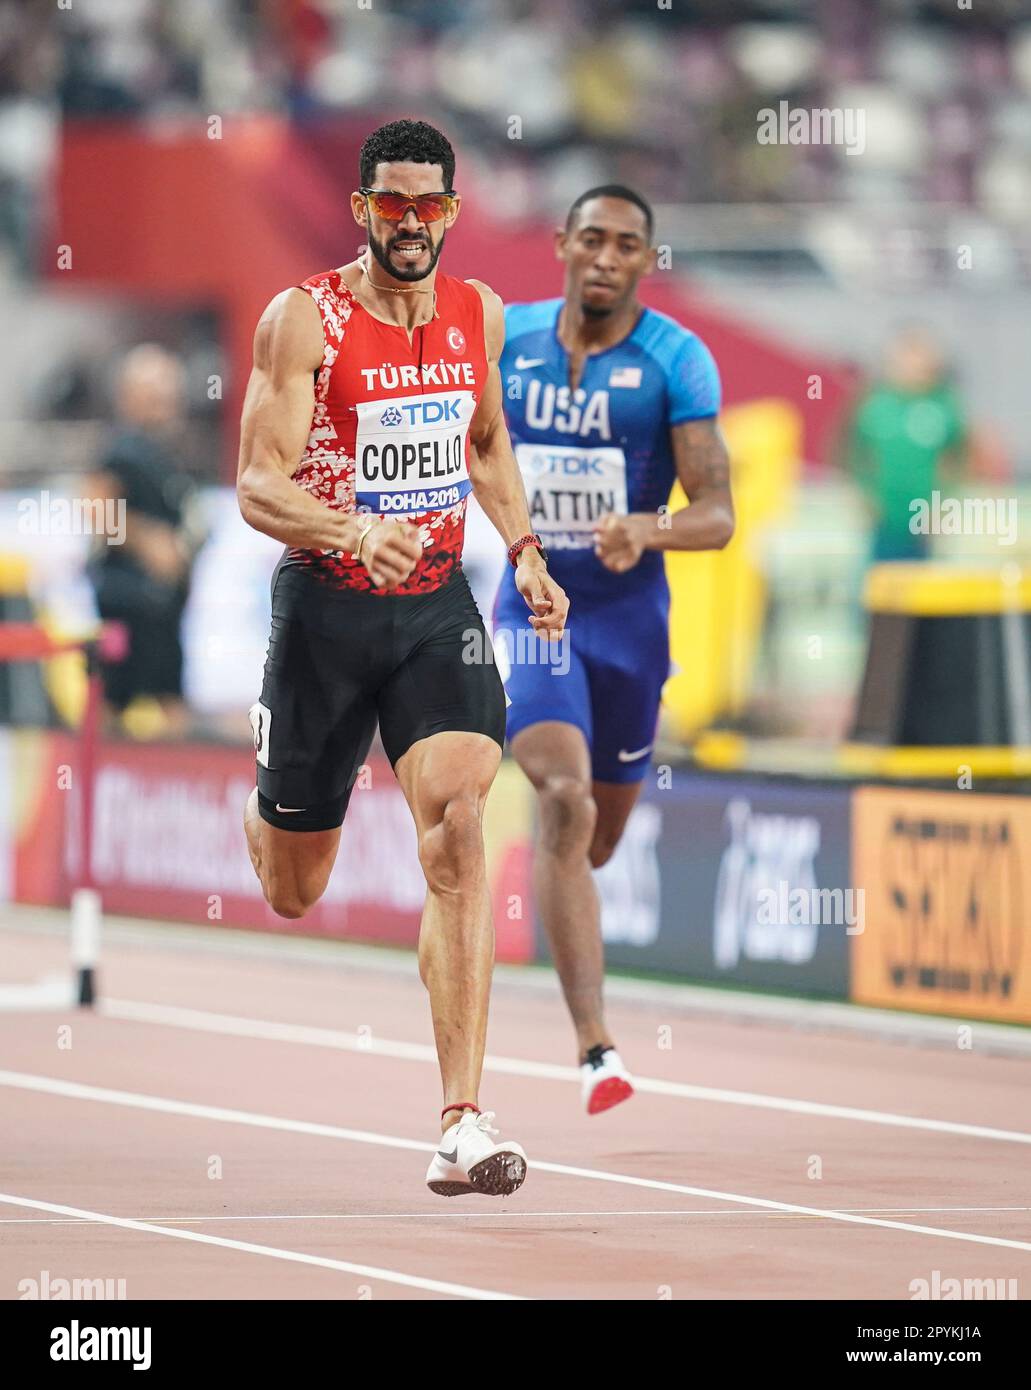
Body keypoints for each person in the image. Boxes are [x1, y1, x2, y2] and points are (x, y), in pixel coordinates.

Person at [236, 119, 568, 1197]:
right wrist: (344, 530)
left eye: (429, 206)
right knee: (296, 884)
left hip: (436, 605)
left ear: (452, 214)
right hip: (327, 612)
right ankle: (269, 794)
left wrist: (521, 549)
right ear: (361, 210)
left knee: (459, 821)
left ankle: (461, 1119)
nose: (411, 224)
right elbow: (256, 483)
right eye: (392, 205)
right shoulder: (306, 320)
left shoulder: (480, 312)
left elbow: (482, 445)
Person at [494, 185, 734, 1114]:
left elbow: (715, 514)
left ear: (645, 261)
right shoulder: (503, 340)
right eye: (590, 237)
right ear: (560, 242)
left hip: (631, 628)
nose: (604, 257)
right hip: (535, 611)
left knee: (596, 838)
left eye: (625, 245)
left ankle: (569, 899)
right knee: (560, 798)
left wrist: (647, 528)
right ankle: (598, 1049)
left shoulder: (676, 360)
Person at [86, 344, 200, 737]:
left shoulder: (167, 453)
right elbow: (97, 512)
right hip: (128, 598)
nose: (165, 404)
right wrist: (146, 540)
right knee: (118, 697)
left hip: (162, 603)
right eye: (154, 394)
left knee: (161, 693)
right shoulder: (121, 449)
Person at [841, 326, 969, 562]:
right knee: (878, 587)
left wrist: (943, 504)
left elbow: (959, 459)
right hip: (883, 522)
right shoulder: (874, 404)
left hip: (924, 525)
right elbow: (851, 453)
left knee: (923, 589)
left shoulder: (944, 406)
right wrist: (865, 496)